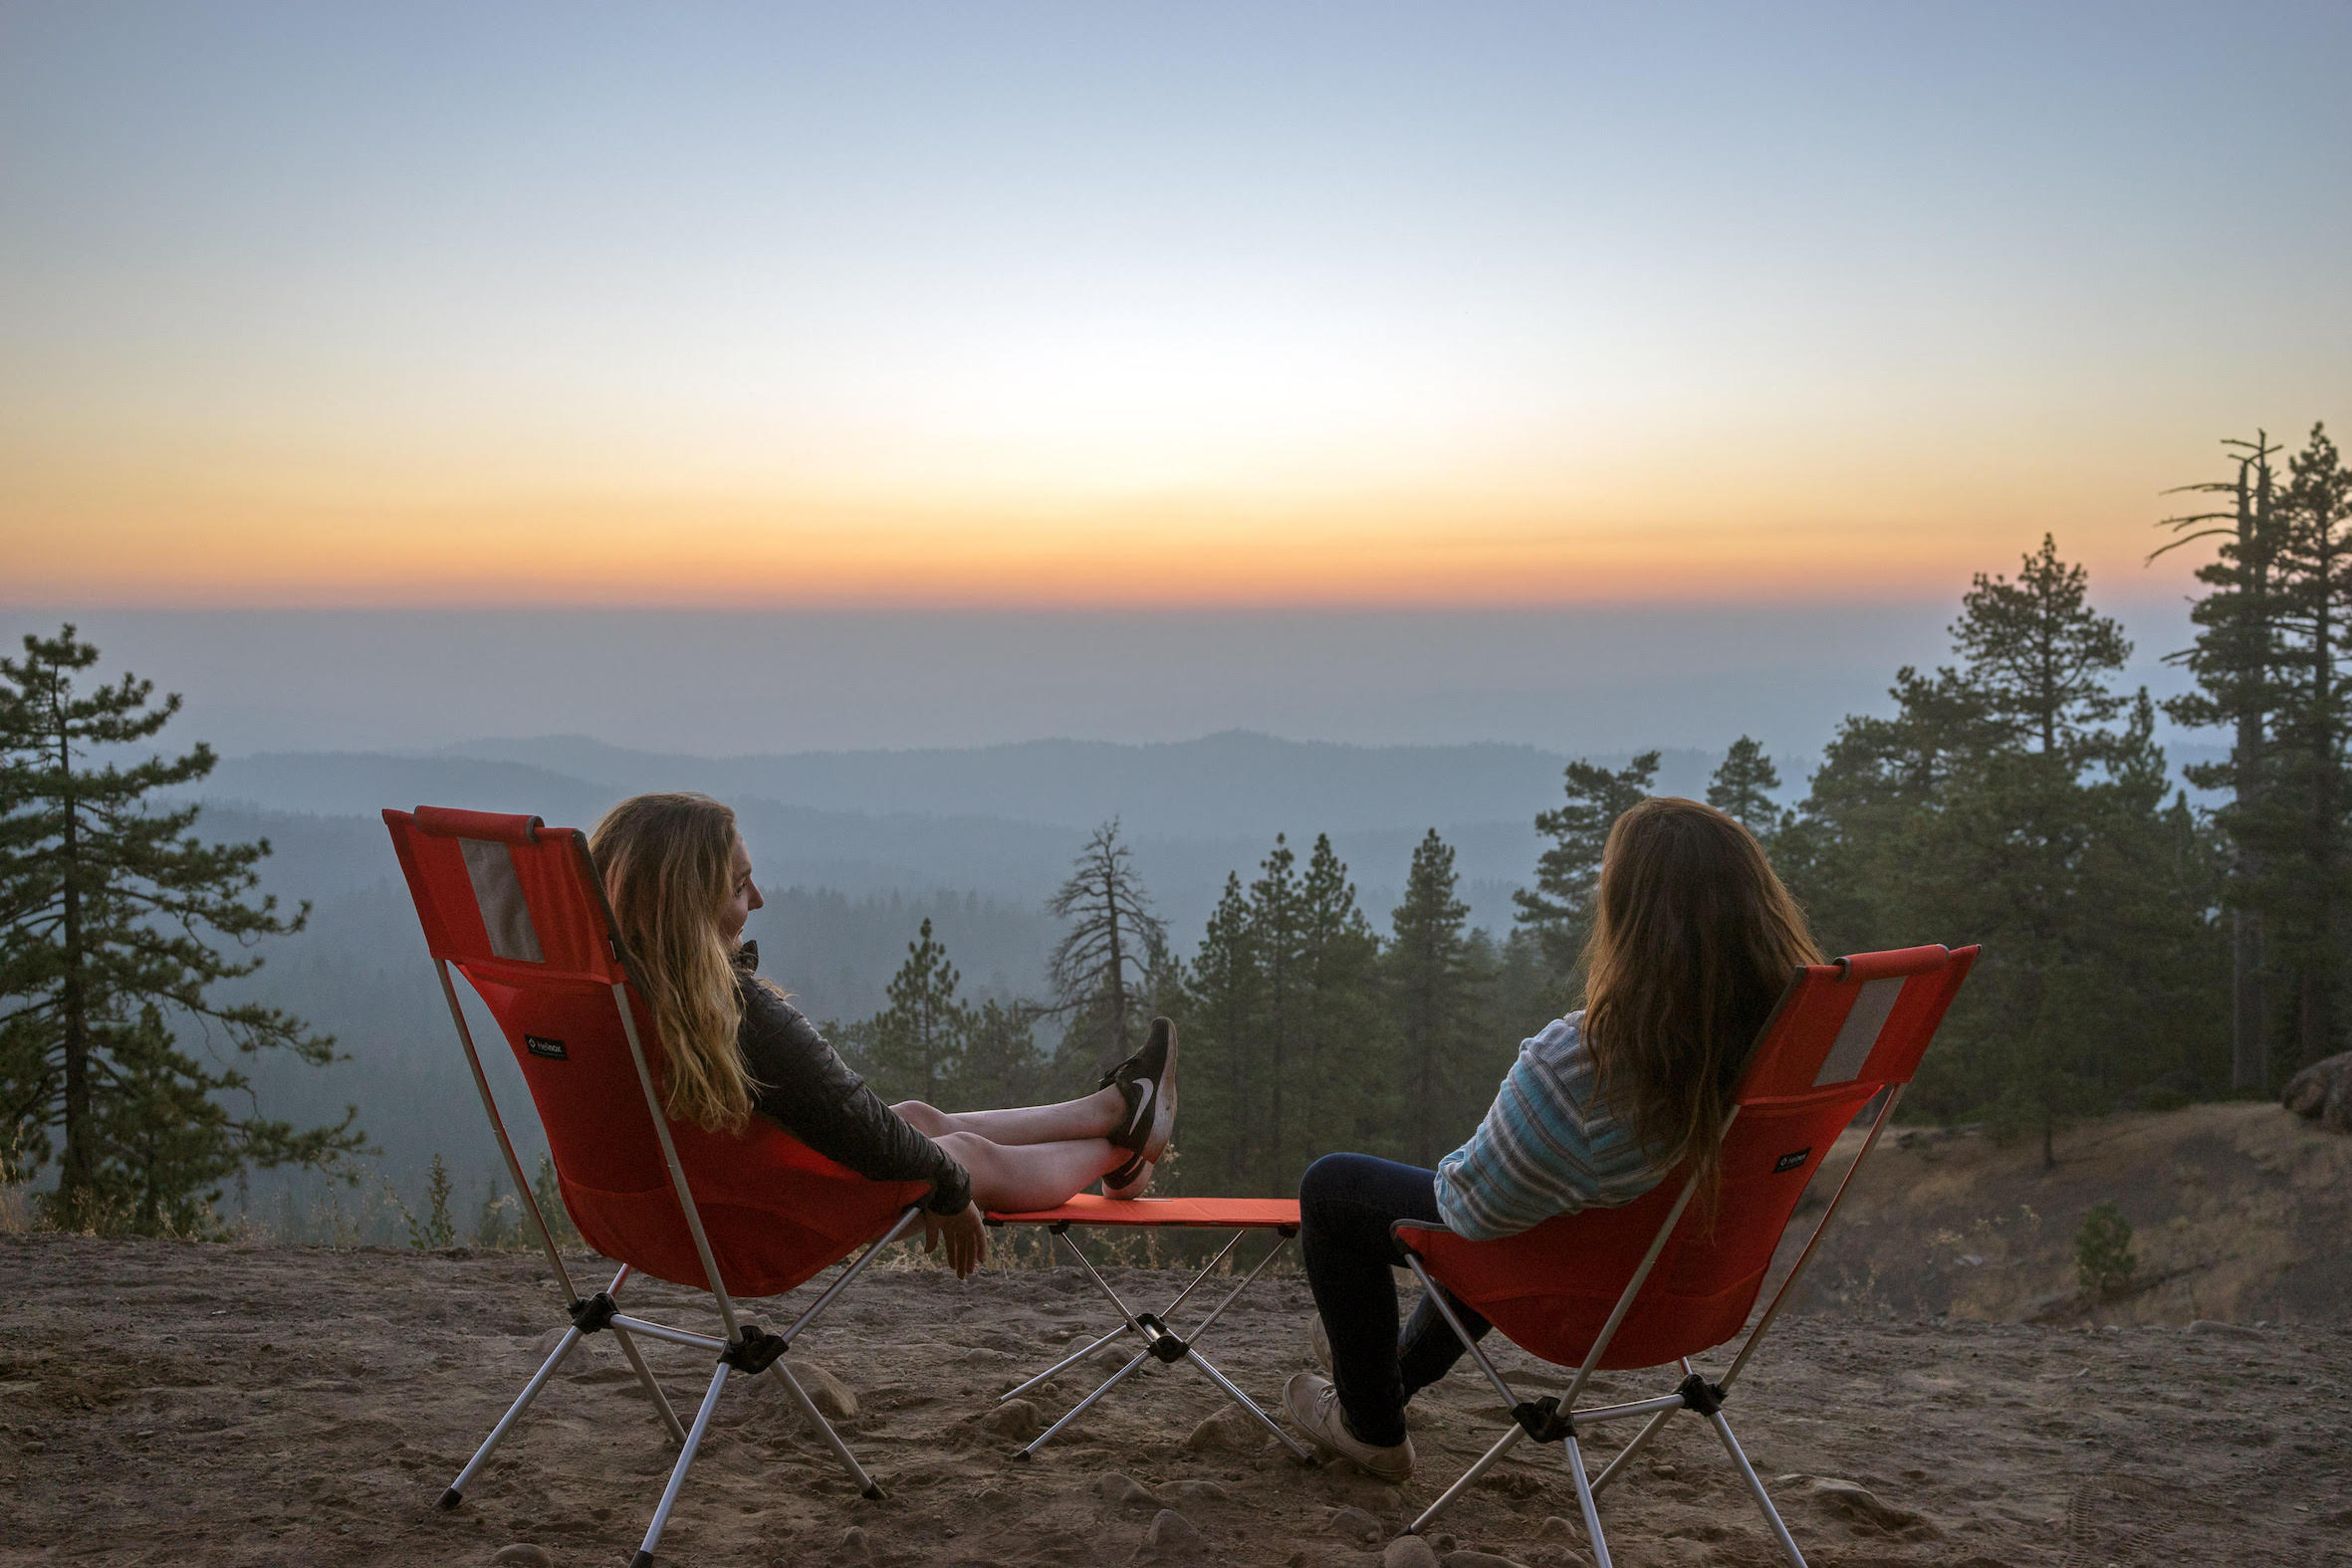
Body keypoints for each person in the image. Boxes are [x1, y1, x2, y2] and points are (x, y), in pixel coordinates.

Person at [1284, 796, 1821, 1480]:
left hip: (1577, 1300)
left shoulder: (1580, 1063)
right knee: (1531, 1189)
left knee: (1333, 1188)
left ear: (1631, 917)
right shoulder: (1780, 1048)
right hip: (1686, 1295)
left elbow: (1467, 1209)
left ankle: (1370, 1424)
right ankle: (1385, 1373)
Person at [588, 791, 1176, 1279]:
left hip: (651, 1216)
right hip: (752, 1228)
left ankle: (1116, 1109)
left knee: (917, 1117)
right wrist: (948, 1187)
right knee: (962, 1159)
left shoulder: (605, 992)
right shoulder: (737, 1014)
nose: (759, 900)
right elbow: (856, 1119)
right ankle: (1121, 1143)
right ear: (687, 905)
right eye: (740, 887)